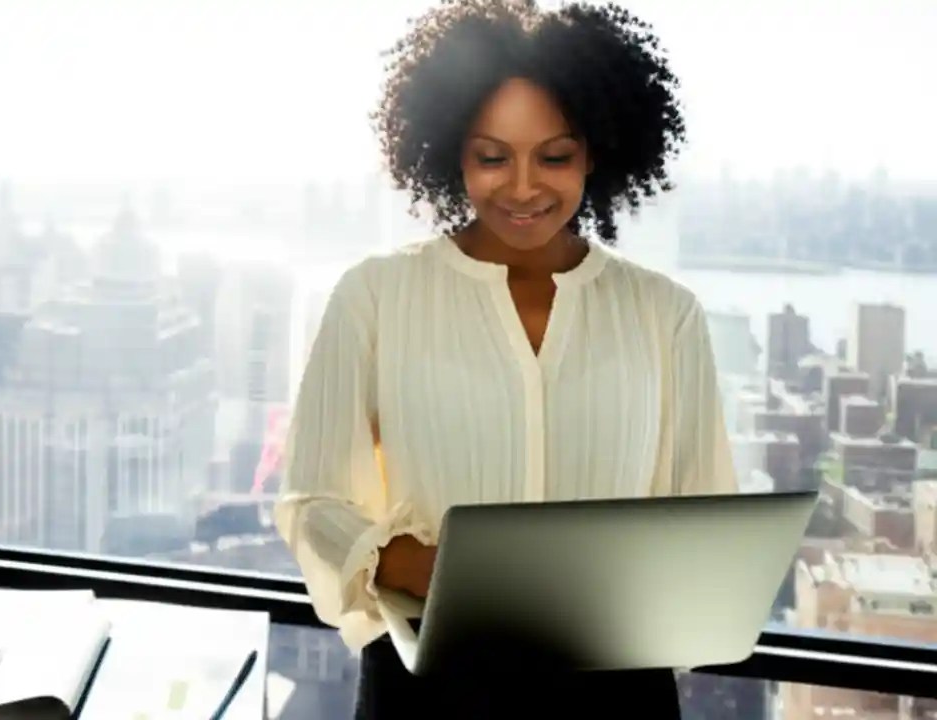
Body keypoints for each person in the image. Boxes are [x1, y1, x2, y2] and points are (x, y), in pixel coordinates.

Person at [274, 0, 739, 717]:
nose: (523, 187)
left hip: (615, 692)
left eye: (554, 156)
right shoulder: (375, 296)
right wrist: (417, 567)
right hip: (428, 685)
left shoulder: (664, 314)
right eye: (492, 157)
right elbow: (311, 500)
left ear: (596, 152)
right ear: (452, 150)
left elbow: (706, 519)